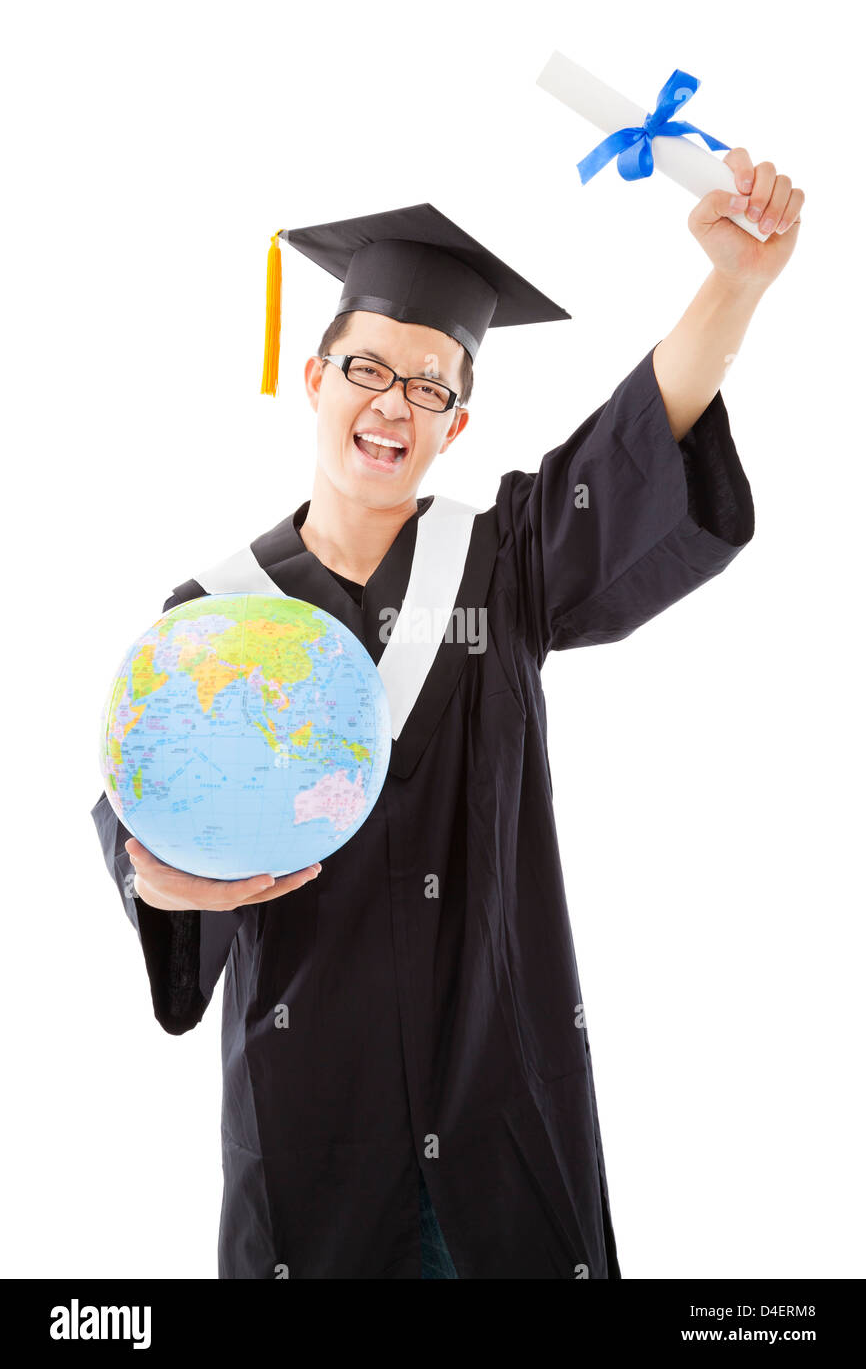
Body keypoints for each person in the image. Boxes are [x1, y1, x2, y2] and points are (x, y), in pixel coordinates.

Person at [91, 153, 803, 1279]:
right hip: (314, 1112)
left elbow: (630, 447)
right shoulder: (215, 619)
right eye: (368, 369)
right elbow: (144, 810)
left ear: (456, 426)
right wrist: (161, 885)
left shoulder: (503, 559)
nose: (394, 404)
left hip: (498, 1095)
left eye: (431, 387)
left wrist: (734, 284)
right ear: (314, 378)